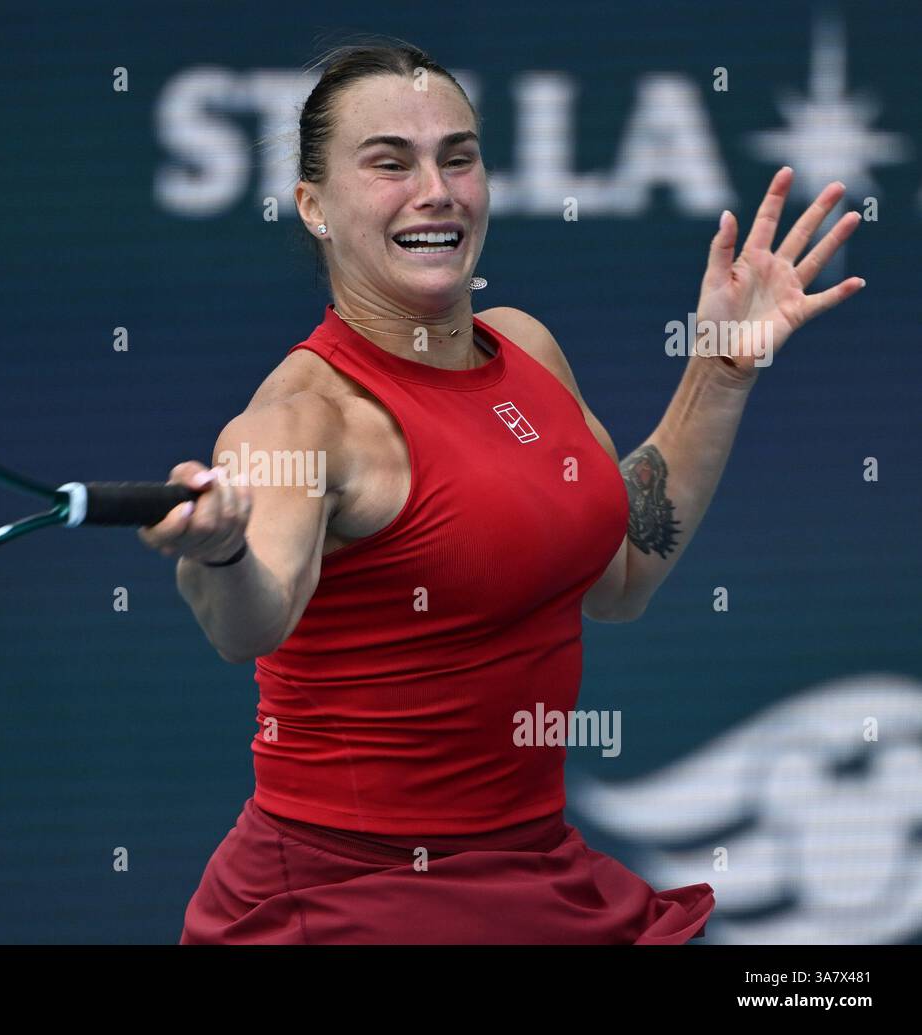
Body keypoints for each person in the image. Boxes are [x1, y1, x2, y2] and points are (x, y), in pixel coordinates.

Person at [139, 38, 864, 944]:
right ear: (314, 207)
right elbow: (247, 620)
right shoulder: (298, 421)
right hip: (343, 905)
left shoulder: (527, 346)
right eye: (389, 164)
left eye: (459, 156)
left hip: (531, 876)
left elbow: (625, 571)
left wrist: (718, 370)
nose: (435, 189)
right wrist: (221, 549)